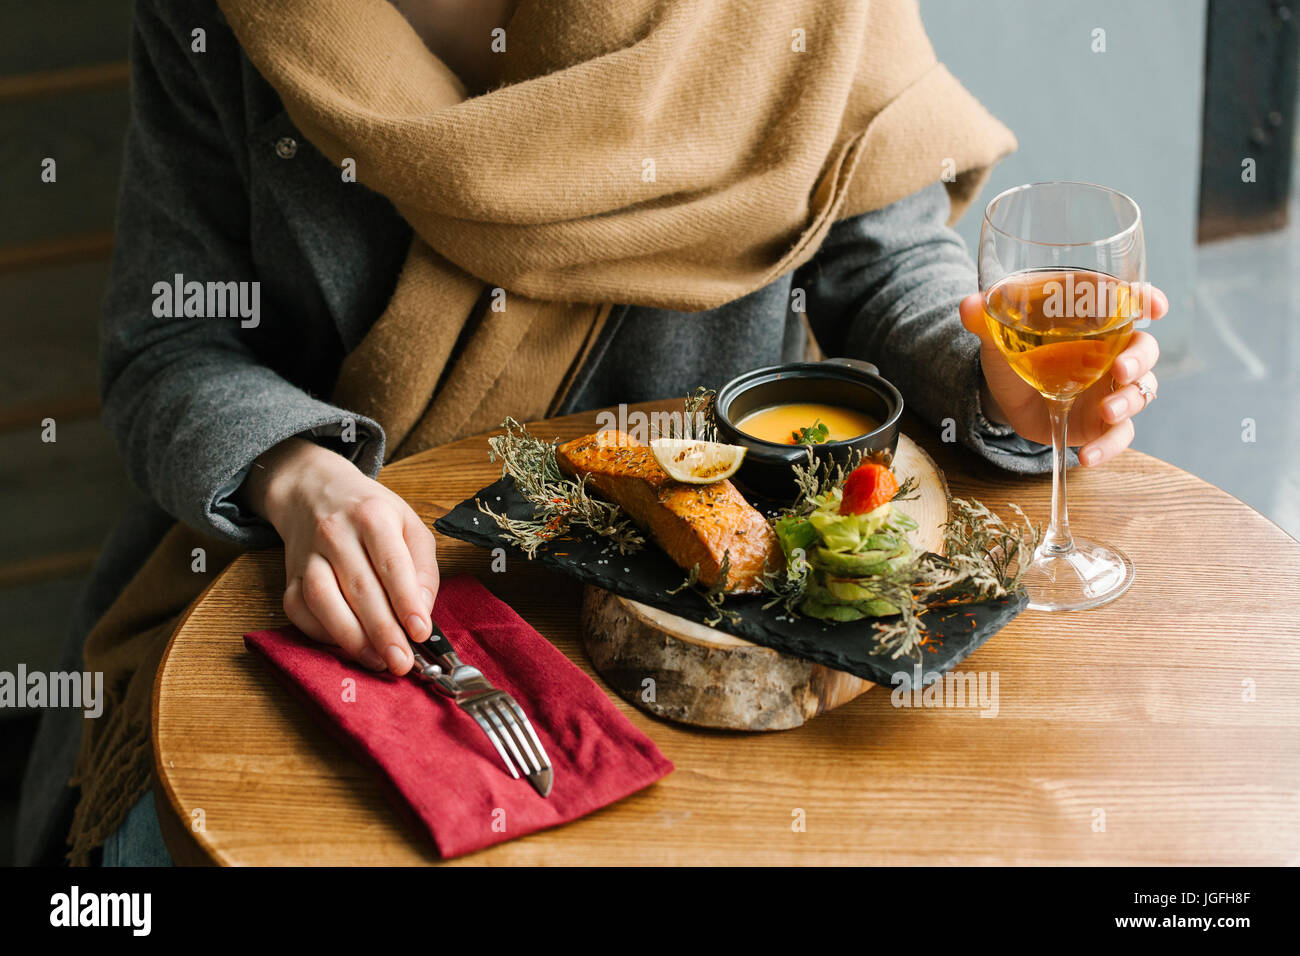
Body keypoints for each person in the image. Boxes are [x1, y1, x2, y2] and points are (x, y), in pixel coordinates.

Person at [17, 0, 1165, 866]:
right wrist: (294, 473)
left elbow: (882, 261)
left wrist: (992, 385)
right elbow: (166, 349)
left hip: (709, 639)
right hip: (338, 604)